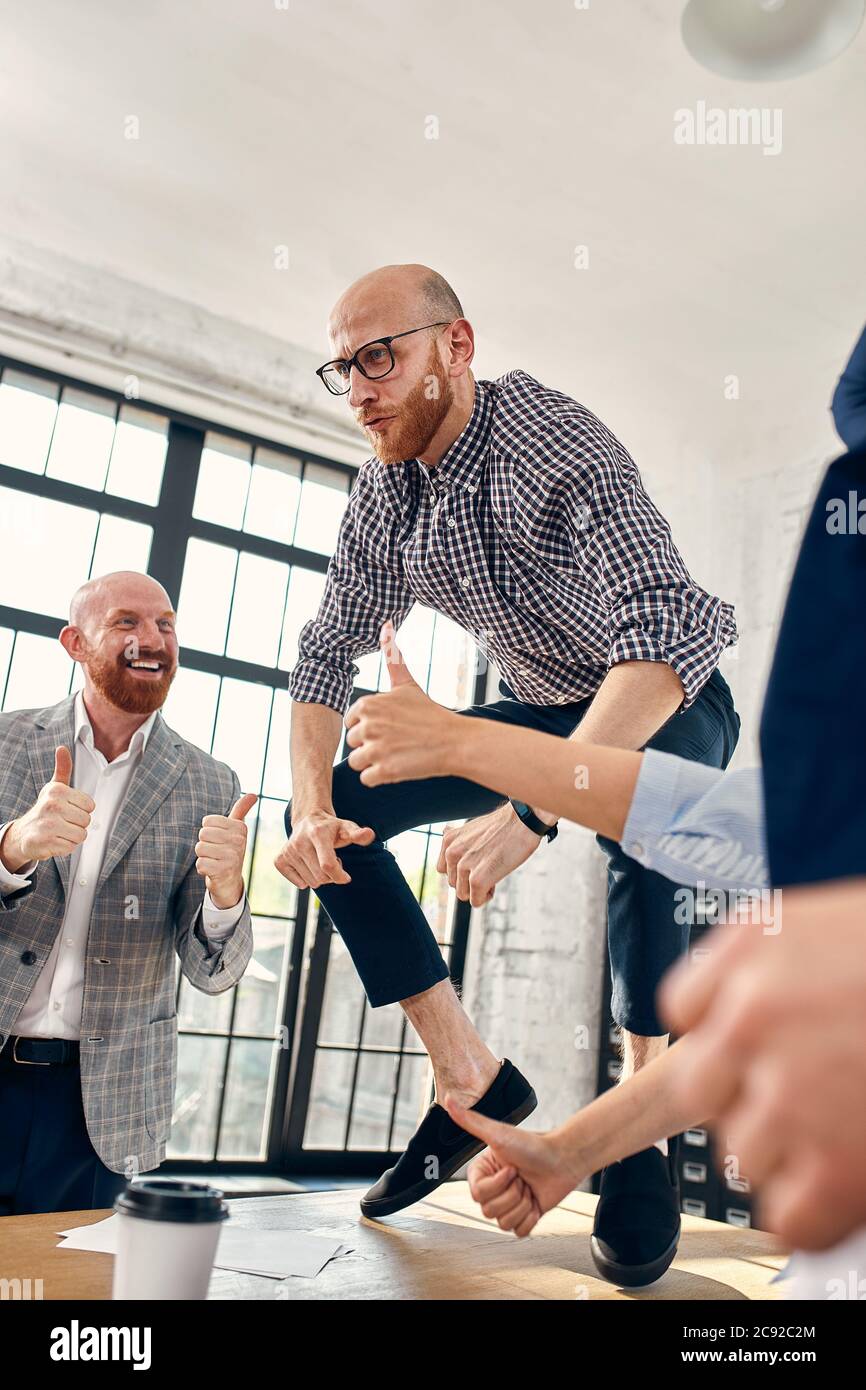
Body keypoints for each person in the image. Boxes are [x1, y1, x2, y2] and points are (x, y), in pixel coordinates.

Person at [275, 260, 739, 1286]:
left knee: (647, 822)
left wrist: (533, 809)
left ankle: (636, 1122)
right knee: (343, 802)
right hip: (535, 706)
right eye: (341, 369)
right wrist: (311, 811)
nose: (358, 390)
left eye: (378, 358)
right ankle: (467, 1073)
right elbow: (319, 658)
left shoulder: (546, 440)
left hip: (664, 698)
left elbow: (661, 635)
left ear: (457, 346)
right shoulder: (383, 496)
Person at [0, 571, 255, 1215]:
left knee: (68, 1298)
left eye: (165, 624)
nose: (153, 639)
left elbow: (212, 974)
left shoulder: (208, 782)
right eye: (126, 622)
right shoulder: (4, 743)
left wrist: (226, 894)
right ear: (74, 643)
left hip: (102, 1108)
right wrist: (11, 849)